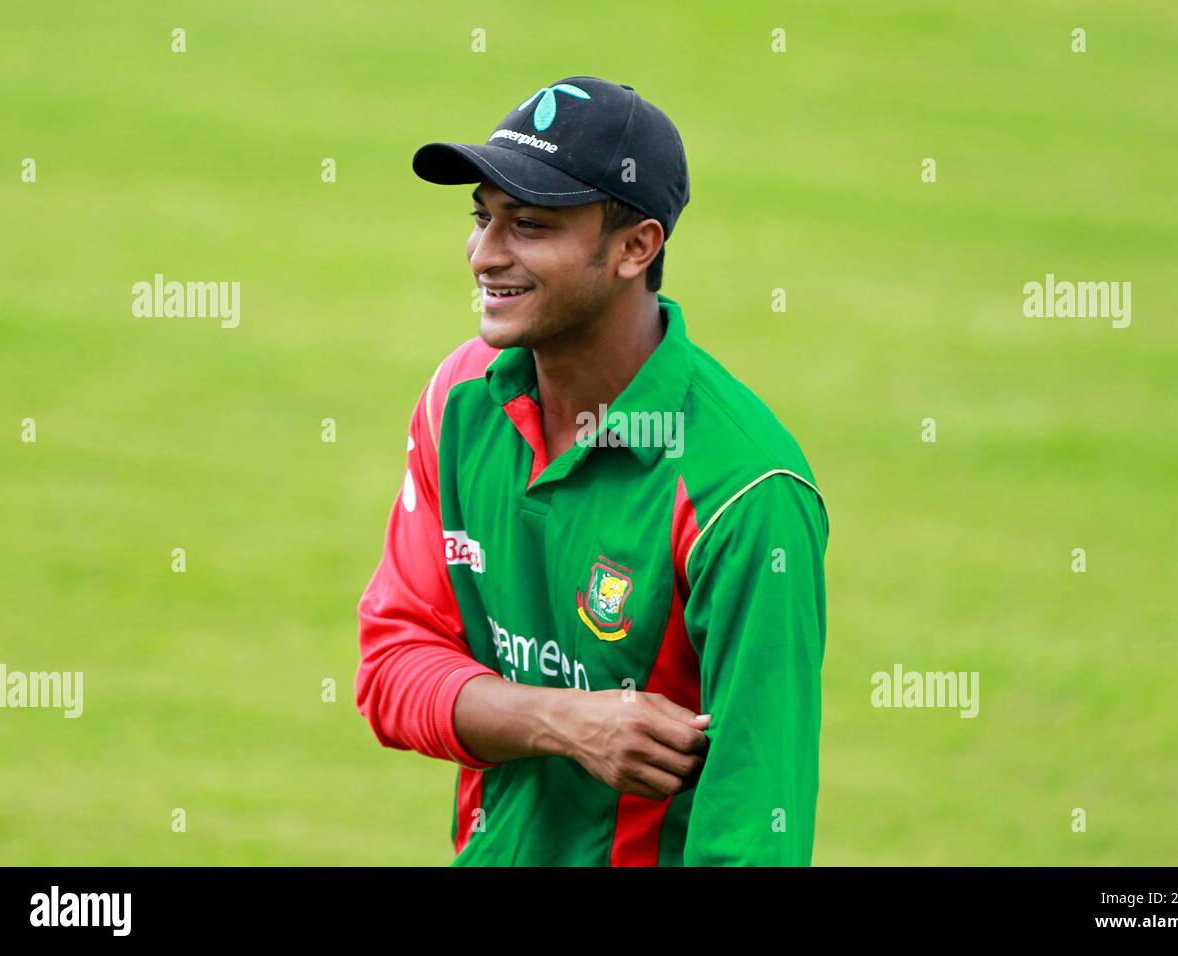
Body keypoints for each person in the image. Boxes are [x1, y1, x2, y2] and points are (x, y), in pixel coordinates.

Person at [355, 75, 829, 865]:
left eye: (529, 225)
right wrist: (569, 720)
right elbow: (392, 670)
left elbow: (756, 834)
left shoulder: (746, 494)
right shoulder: (460, 399)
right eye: (482, 218)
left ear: (636, 247)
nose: (484, 254)